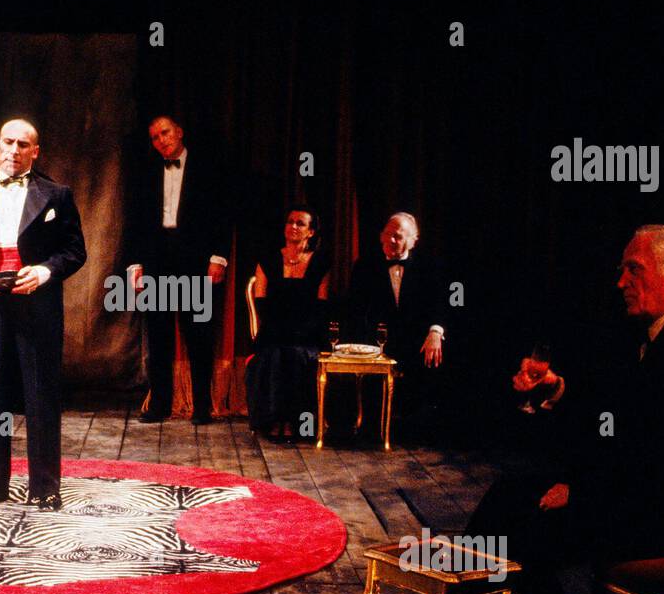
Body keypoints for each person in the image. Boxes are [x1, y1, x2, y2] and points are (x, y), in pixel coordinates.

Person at [378, 225, 664, 594]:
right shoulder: (663, 332)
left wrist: (582, 491)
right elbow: (622, 425)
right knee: (510, 494)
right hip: (642, 494)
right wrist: (555, 389)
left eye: (634, 270)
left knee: (531, 528)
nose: (621, 282)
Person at [0, 119, 86, 510]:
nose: (14, 150)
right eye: (8, 142)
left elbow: (75, 251)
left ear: (35, 151)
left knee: (41, 397)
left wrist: (43, 272)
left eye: (23, 144)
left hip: (37, 308)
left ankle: (45, 486)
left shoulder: (56, 195)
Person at [125, 115, 230, 425]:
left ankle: (202, 407)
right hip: (157, 259)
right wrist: (136, 265)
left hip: (195, 259)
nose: (161, 140)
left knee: (199, 334)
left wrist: (218, 257)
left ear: (180, 132)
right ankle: (160, 405)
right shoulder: (146, 171)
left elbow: (222, 214)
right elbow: (136, 221)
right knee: (158, 335)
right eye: (155, 137)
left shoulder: (207, 168)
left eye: (165, 133)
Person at [348, 212, 448, 433]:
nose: (391, 240)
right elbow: (355, 308)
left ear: (413, 241)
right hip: (377, 339)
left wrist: (435, 332)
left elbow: (439, 303)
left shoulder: (428, 266)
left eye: (399, 236)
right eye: (388, 234)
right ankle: (371, 426)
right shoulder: (365, 265)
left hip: (417, 339)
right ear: (381, 236)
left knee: (436, 357)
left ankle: (418, 427)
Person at [245, 205, 331, 439]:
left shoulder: (321, 262)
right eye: (290, 221)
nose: (293, 226)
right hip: (273, 330)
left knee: (297, 355)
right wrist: (280, 331)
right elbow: (262, 303)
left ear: (311, 232)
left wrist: (301, 332)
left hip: (308, 333)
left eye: (300, 223)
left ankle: (299, 424)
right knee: (273, 355)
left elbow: (321, 307)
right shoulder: (268, 259)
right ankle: (273, 422)